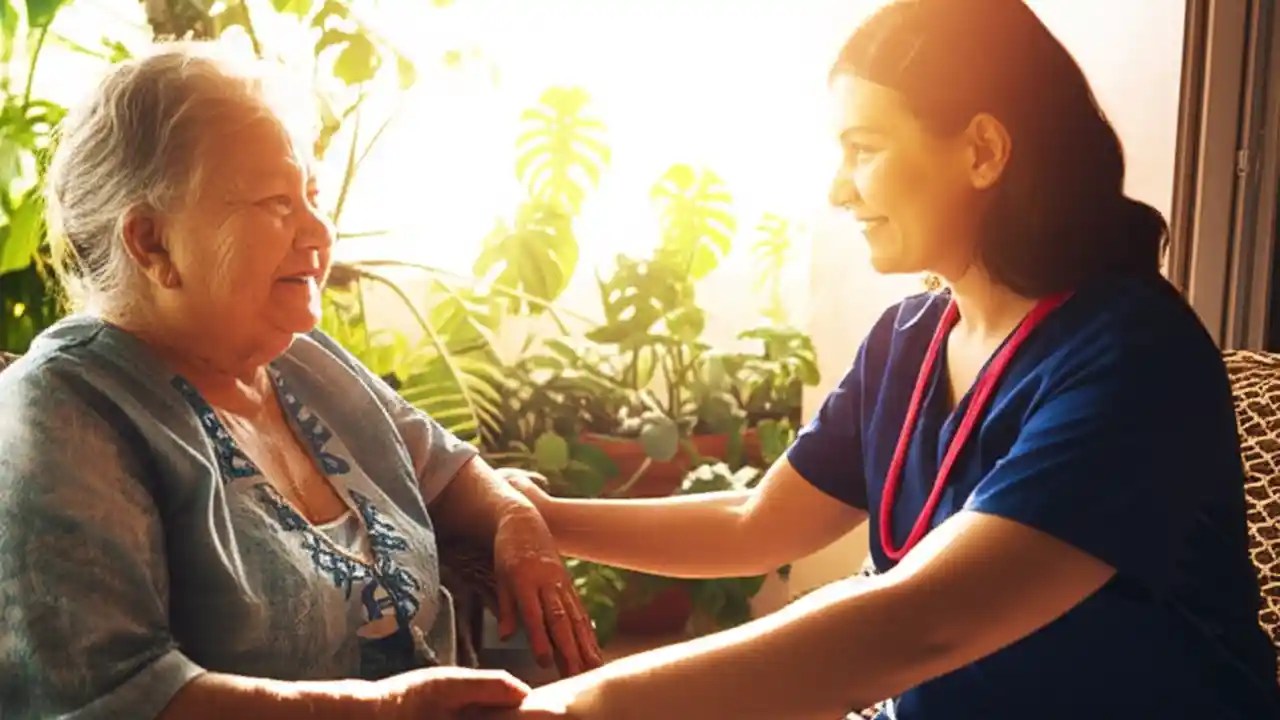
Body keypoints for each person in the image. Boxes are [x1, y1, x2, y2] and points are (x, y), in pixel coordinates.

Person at [487, 1, 1280, 718]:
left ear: (982, 150)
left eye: (863, 148)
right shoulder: (909, 339)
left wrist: (587, 704)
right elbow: (757, 522)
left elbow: (921, 625)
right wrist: (542, 519)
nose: (838, 190)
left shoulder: (1134, 360)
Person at [0, 43, 601, 720]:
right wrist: (379, 711)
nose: (319, 232)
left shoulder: (300, 361)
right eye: (278, 204)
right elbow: (111, 696)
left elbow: (446, 468)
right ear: (152, 243)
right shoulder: (65, 409)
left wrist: (514, 517)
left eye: (312, 196)